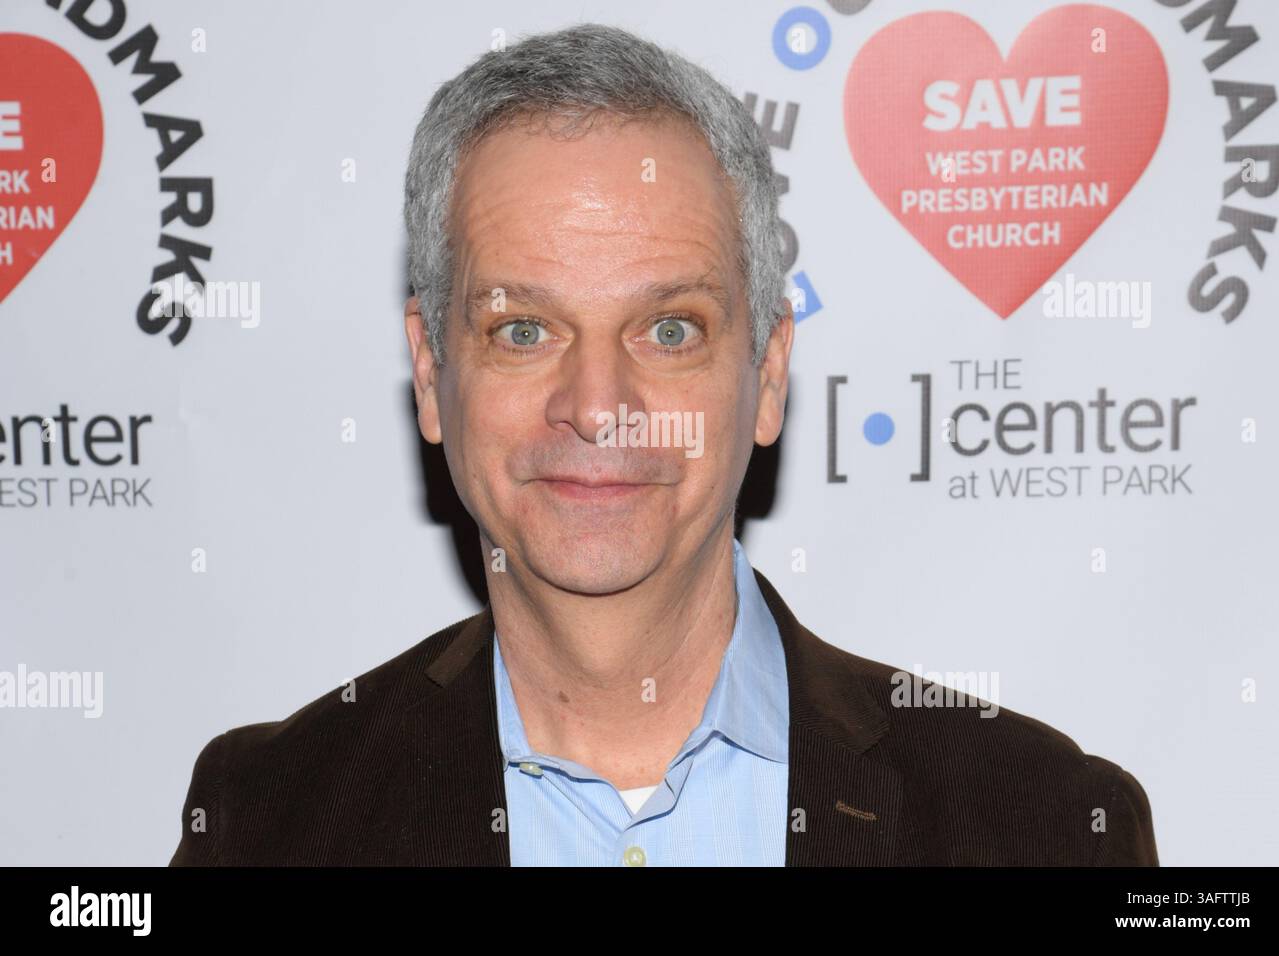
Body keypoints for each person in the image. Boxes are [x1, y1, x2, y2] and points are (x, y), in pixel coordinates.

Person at [169, 23, 1157, 867]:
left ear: (767, 376)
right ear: (431, 374)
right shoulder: (268, 821)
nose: (597, 406)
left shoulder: (1044, 824)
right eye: (523, 329)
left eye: (670, 328)